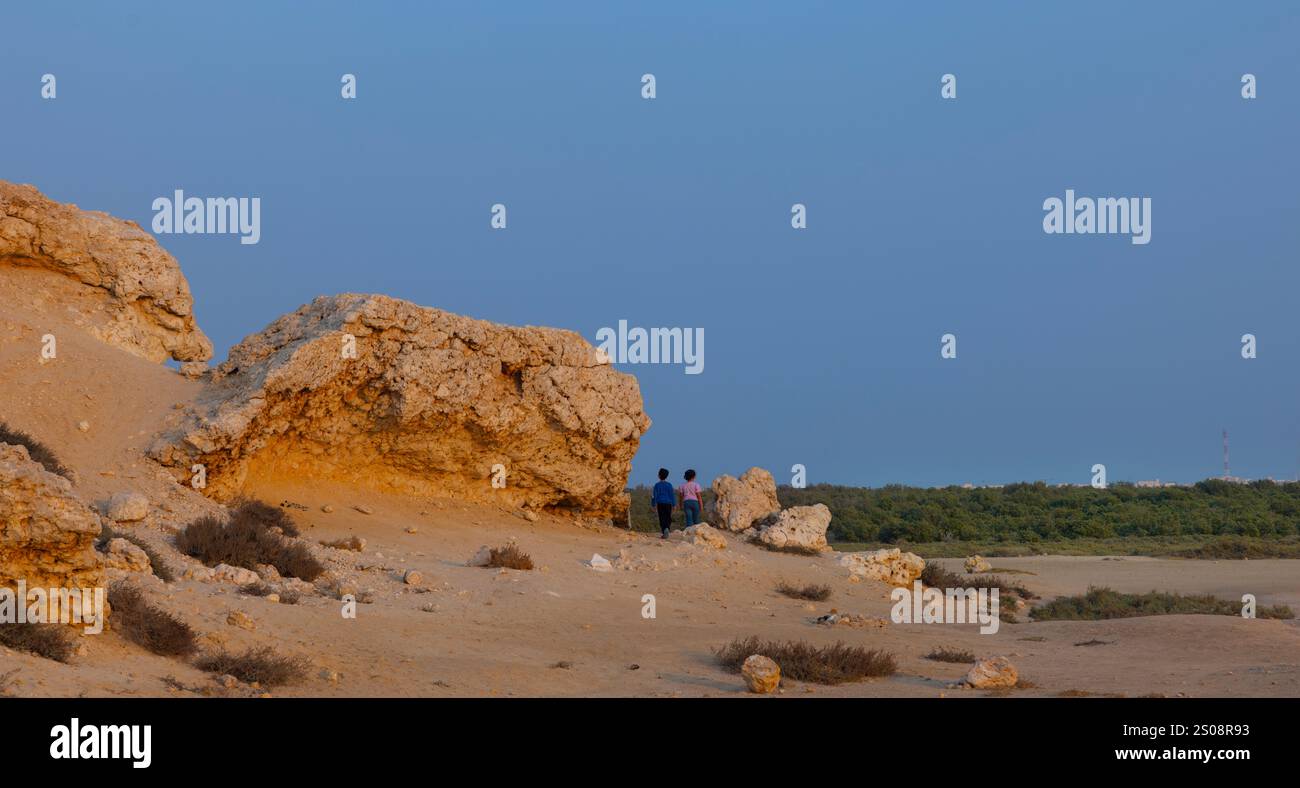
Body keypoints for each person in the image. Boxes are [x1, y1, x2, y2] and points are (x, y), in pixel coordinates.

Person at [651, 468, 676, 538]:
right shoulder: (669, 485)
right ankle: (667, 528)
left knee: (662, 517)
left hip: (660, 504)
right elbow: (672, 495)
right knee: (668, 517)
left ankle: (664, 530)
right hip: (668, 504)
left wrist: (653, 504)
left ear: (659, 476)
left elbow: (654, 496)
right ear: (667, 476)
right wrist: (674, 504)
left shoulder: (657, 485)